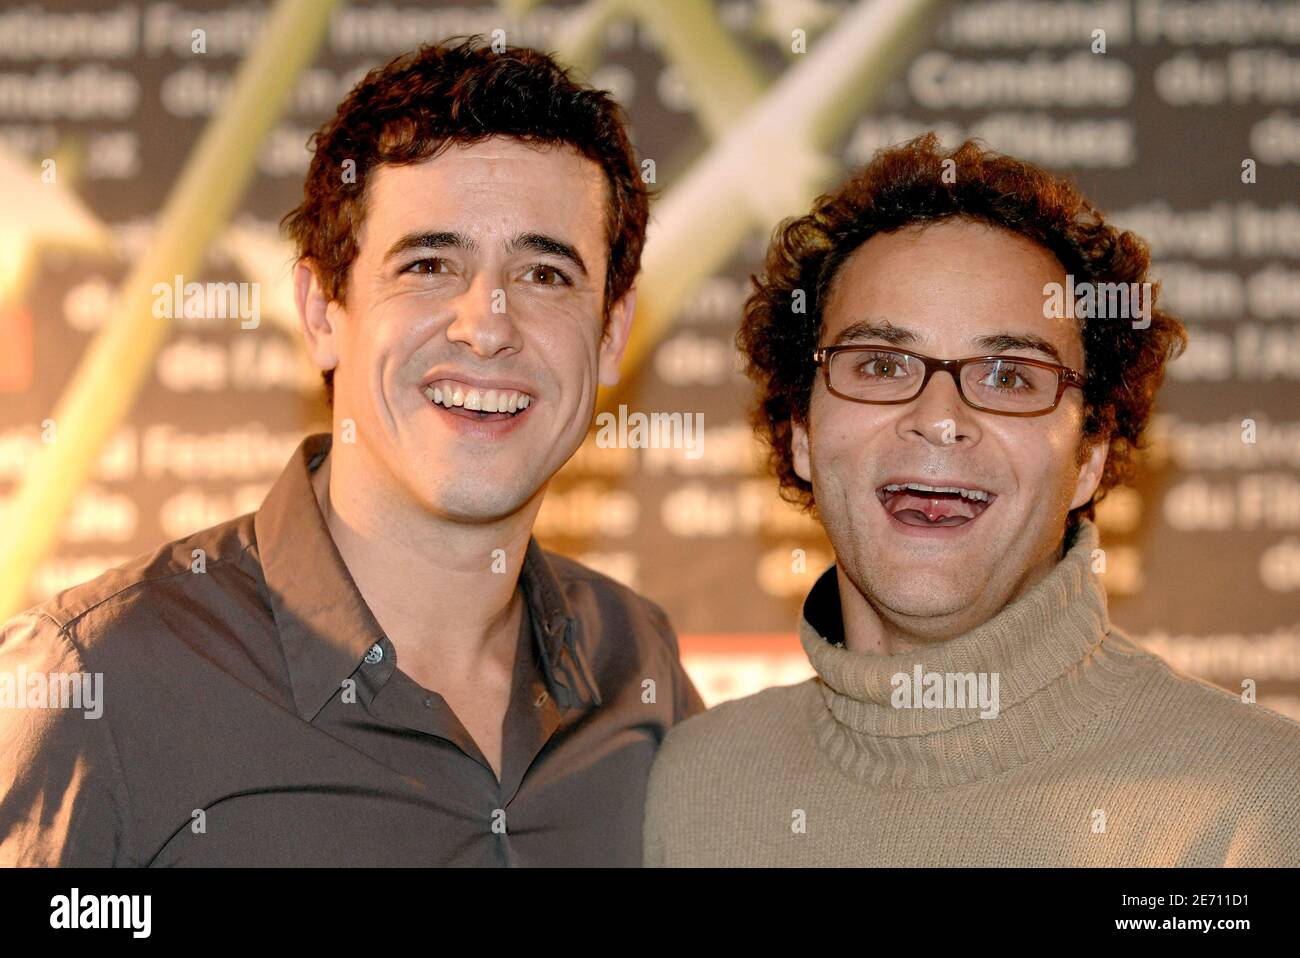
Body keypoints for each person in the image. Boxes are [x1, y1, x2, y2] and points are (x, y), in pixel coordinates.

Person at [0, 36, 704, 867]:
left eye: (546, 274)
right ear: (322, 309)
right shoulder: (95, 683)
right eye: (430, 264)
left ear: (613, 331)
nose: (486, 324)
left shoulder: (637, 666)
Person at [643, 133, 1300, 867]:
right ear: (801, 429)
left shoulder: (1255, 813)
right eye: (883, 364)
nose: (941, 418)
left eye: (1009, 376)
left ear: (1090, 456)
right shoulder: (696, 788)